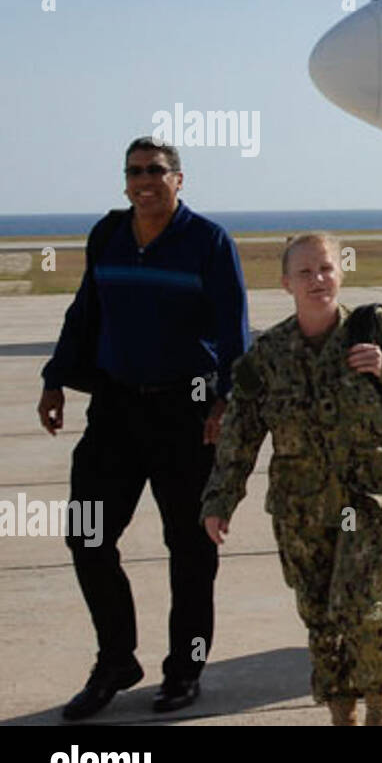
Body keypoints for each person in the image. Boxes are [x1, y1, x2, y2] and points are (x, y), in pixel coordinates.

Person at [200, 233, 382, 726]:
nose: (317, 280)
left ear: (341, 273)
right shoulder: (266, 357)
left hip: (371, 500)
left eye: (326, 269)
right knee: (318, 614)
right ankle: (341, 710)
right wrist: (219, 501)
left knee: (358, 605)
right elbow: (240, 437)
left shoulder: (374, 329)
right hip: (302, 508)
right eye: (305, 273)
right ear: (286, 283)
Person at [38, 138, 249, 721]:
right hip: (114, 411)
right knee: (86, 536)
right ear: (124, 181)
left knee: (191, 549)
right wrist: (56, 379)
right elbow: (85, 311)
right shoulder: (107, 235)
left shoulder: (208, 241)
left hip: (186, 415)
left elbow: (234, 330)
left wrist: (225, 401)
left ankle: (186, 667)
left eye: (155, 170)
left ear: (179, 179)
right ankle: (115, 659)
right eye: (134, 171)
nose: (143, 180)